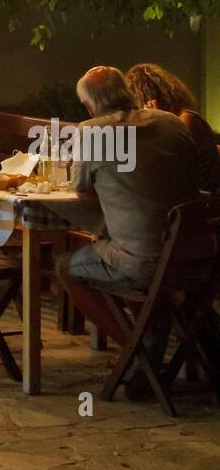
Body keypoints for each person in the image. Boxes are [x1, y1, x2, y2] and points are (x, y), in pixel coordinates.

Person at [55, 65, 212, 398]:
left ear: (89, 105)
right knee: (148, 272)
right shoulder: (172, 122)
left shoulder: (92, 133)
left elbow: (81, 191)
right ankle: (148, 354)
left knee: (66, 266)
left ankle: (136, 351)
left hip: (146, 262)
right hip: (199, 256)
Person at [125, 62, 220, 194]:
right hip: (186, 192)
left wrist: (158, 121)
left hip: (204, 198)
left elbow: (169, 157)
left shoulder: (187, 118)